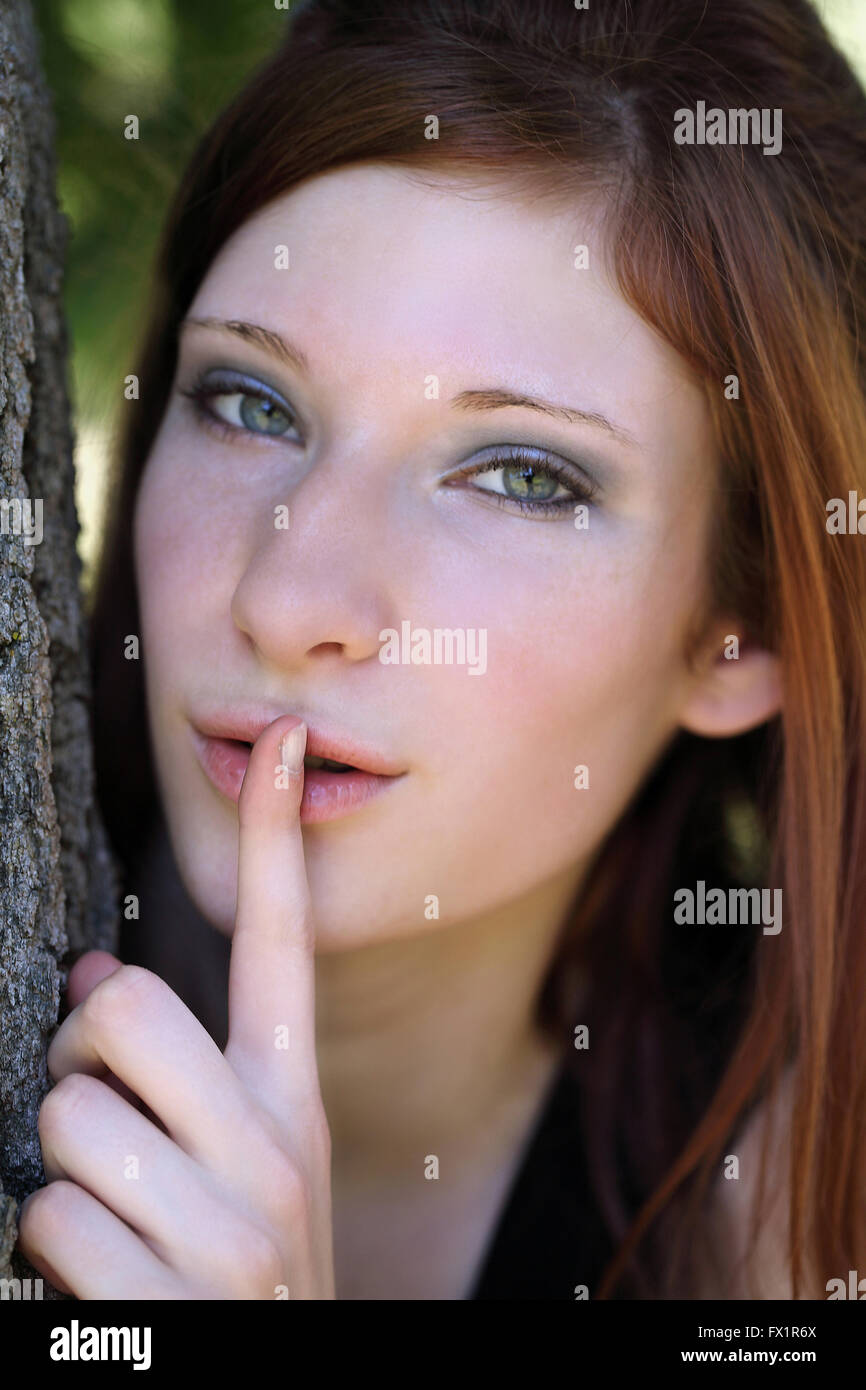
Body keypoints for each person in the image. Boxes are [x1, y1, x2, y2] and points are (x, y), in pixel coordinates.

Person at [16, 0, 866, 1299]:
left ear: (736, 637)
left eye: (521, 475)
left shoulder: (791, 1227)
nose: (290, 596)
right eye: (251, 402)